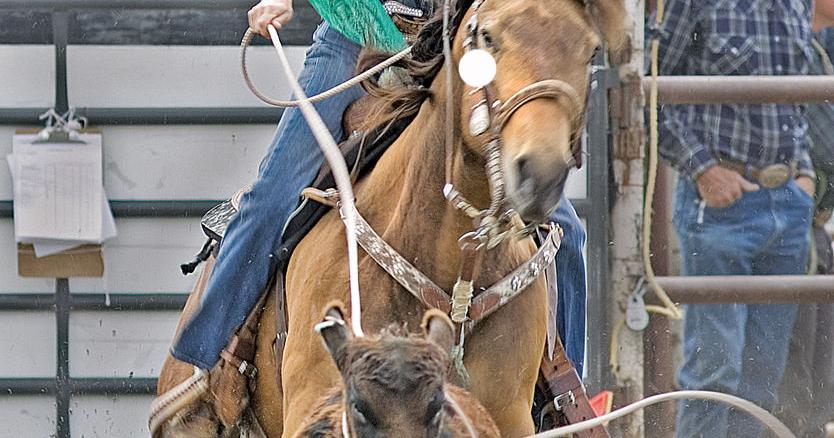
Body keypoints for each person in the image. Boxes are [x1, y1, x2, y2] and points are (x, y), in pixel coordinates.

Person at [171, 0, 591, 382]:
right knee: (273, 197)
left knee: (565, 232)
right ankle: (206, 364)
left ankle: (565, 396)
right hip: (354, 41)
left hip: (452, 47)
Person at [655, 1, 816, 437]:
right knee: (715, 369)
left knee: (764, 371)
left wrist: (803, 173)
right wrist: (704, 170)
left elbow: (797, 103)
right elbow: (652, 92)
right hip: (722, 200)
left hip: (785, 198)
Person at [774, 3, 834, 435]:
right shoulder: (801, 47)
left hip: (811, 215)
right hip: (795, 214)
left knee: (812, 347)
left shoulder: (817, 46)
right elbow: (822, 141)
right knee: (796, 348)